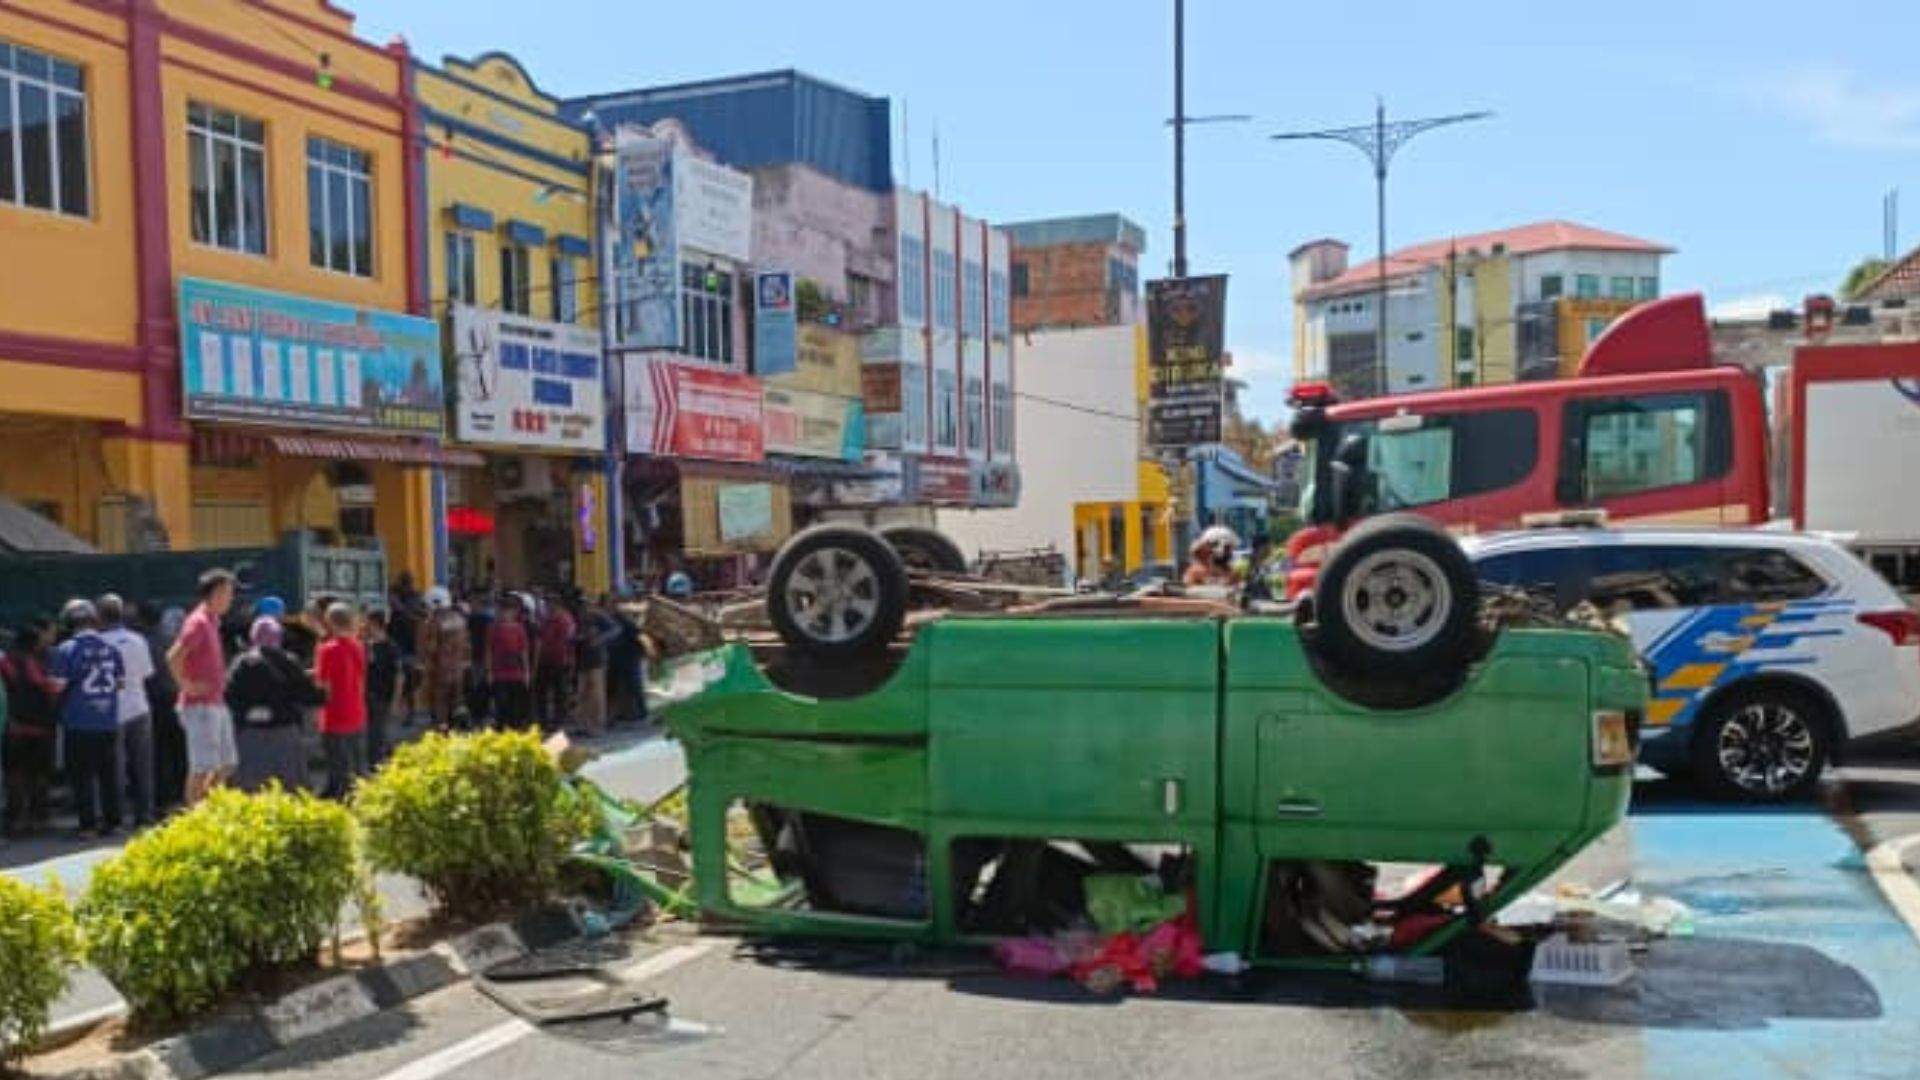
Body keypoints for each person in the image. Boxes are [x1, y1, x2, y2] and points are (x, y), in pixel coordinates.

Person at [49, 600, 126, 838]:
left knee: (82, 776)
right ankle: (114, 822)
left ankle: (88, 825)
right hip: (107, 721)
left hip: (79, 722)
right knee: (108, 774)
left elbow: (57, 687)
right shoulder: (112, 649)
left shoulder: (66, 650)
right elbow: (120, 684)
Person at [225, 616, 324, 793]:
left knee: (250, 789)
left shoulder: (241, 662)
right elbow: (308, 695)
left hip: (250, 735)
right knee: (288, 788)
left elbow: (229, 695)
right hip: (284, 731)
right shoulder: (288, 661)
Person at [168, 569, 239, 805]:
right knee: (202, 766)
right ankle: (193, 815)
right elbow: (174, 656)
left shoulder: (212, 620)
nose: (231, 598)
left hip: (216, 701)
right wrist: (186, 685)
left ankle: (208, 807)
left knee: (227, 763)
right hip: (199, 706)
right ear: (215, 594)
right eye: (228, 593)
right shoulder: (198, 622)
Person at [96, 594, 157, 828]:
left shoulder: (99, 643)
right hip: (139, 707)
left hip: (111, 711)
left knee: (116, 767)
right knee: (143, 765)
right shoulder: (137, 640)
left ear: (100, 617)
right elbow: (147, 674)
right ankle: (145, 816)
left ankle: (116, 817)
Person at [2, 619, 59, 836]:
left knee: (15, 776)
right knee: (38, 776)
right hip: (38, 729)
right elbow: (45, 687)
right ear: (32, 643)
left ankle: (15, 819)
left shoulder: (6, 661)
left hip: (14, 729)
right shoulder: (32, 663)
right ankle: (38, 818)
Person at [313, 603, 368, 799]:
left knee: (336, 759)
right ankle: (356, 793)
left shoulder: (327, 650)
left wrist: (316, 712)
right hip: (356, 709)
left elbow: (323, 684)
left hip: (334, 712)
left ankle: (339, 795)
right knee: (356, 757)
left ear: (330, 622)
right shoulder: (358, 646)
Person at [143, 605, 187, 812]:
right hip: (180, 700)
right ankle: (182, 796)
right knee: (181, 751)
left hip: (156, 703)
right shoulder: (185, 644)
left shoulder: (149, 643)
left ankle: (163, 800)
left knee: (160, 753)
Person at [417, 587, 470, 731]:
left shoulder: (433, 622)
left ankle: (442, 738)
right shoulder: (460, 620)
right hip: (457, 671)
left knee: (440, 710)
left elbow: (431, 648)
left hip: (439, 671)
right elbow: (466, 647)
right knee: (456, 706)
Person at [485, 595, 533, 729]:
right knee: (501, 703)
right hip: (499, 672)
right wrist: (489, 671)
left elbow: (524, 651)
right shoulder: (494, 628)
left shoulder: (519, 629)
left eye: (509, 611)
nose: (506, 614)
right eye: (504, 610)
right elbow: (489, 651)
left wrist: (526, 672)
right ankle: (501, 726)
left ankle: (514, 727)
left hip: (516, 672)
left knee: (515, 704)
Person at [573, 598, 617, 736]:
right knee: (582, 693)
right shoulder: (577, 617)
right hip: (582, 659)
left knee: (596, 694)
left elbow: (616, 629)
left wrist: (600, 639)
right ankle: (584, 725)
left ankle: (597, 726)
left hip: (597, 659)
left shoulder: (598, 615)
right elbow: (573, 636)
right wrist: (577, 638)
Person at [362, 609, 401, 767]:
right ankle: (382, 758)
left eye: (367, 623)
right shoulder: (367, 646)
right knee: (373, 732)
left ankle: (377, 764)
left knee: (377, 732)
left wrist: (395, 701)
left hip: (382, 695)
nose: (365, 626)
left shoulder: (390, 647)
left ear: (375, 624)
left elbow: (399, 677)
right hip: (367, 695)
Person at [534, 594, 577, 731]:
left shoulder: (565, 619)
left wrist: (569, 658)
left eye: (550, 604)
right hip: (545, 659)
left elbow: (569, 639)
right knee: (543, 691)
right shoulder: (546, 619)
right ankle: (544, 720)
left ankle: (559, 722)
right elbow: (540, 637)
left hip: (560, 659)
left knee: (559, 692)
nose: (548, 607)